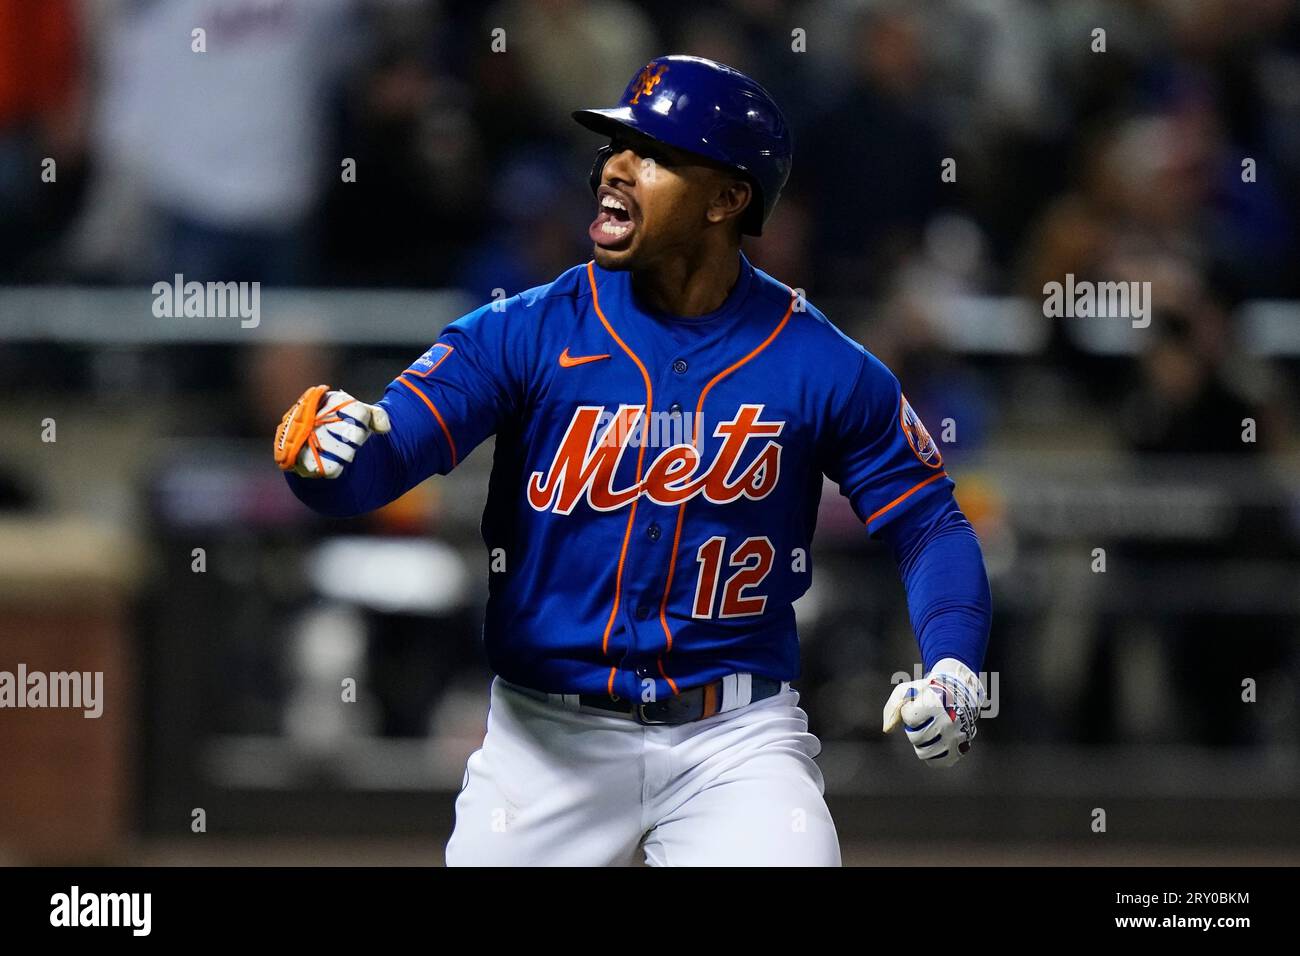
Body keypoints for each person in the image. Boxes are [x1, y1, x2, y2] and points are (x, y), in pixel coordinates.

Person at [275, 55, 992, 866]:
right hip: (544, 742)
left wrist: (955, 670)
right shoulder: (525, 330)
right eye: (616, 145)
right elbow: (385, 457)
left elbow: (931, 523)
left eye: (652, 153)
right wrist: (328, 459)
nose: (614, 166)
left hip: (735, 741)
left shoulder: (820, 362)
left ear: (728, 199)